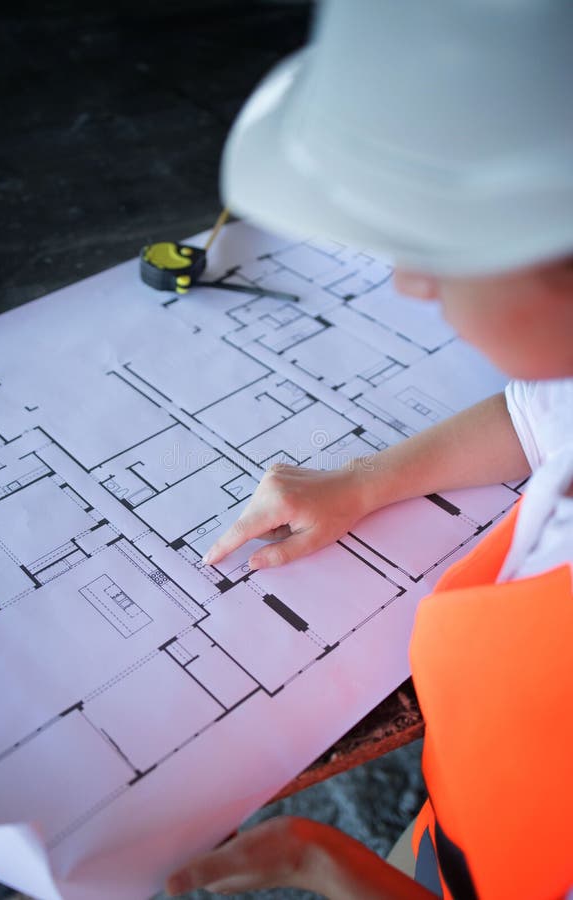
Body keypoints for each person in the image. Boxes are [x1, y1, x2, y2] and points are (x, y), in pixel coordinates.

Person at [166, 0, 573, 896]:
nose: (407, 279)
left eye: (438, 243)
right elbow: (542, 415)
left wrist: (330, 864)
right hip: (466, 825)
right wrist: (363, 482)